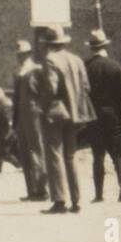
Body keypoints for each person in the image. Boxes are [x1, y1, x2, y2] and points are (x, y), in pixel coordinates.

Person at [36, 25, 92, 214]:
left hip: (56, 113)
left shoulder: (50, 60)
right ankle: (77, 201)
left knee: (55, 155)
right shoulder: (76, 60)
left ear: (49, 44)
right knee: (71, 156)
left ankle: (59, 200)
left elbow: (51, 89)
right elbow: (86, 87)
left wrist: (42, 101)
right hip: (75, 114)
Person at [84, 28, 121, 202]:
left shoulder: (86, 67)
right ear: (105, 46)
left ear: (91, 47)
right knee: (117, 153)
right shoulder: (115, 67)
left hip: (94, 116)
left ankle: (98, 195)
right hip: (113, 117)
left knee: (98, 156)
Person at [11, 40, 46, 201]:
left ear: (28, 54)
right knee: (25, 153)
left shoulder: (36, 70)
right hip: (21, 117)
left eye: (22, 54)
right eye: (18, 55)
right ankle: (31, 190)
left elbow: (42, 93)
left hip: (34, 115)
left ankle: (42, 189)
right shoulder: (18, 71)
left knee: (37, 151)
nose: (20, 57)